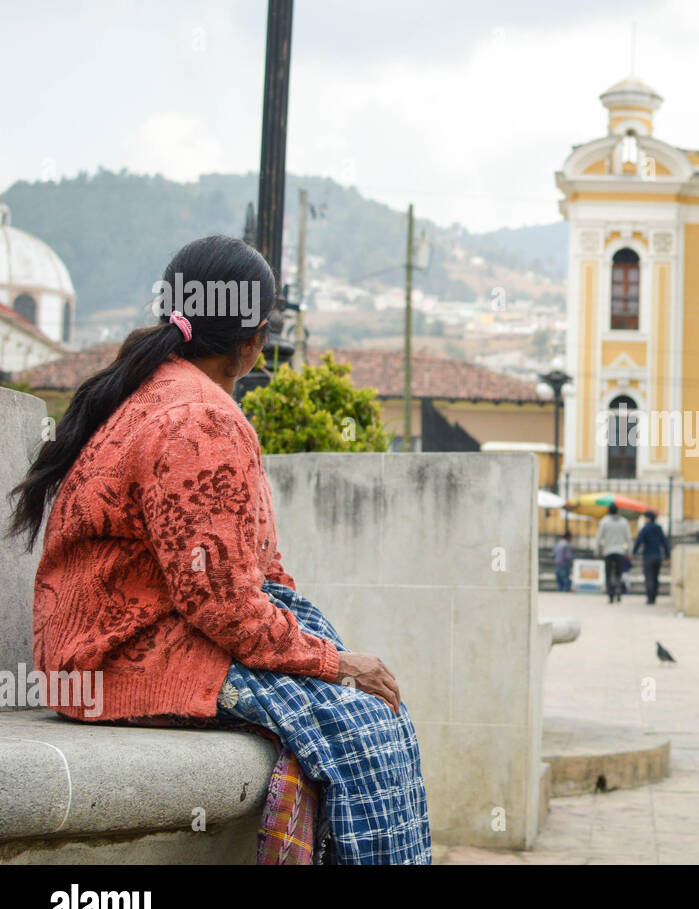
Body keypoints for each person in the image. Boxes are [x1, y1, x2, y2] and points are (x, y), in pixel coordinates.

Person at [8, 235, 432, 864]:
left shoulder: (150, 392)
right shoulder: (199, 418)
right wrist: (334, 662)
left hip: (99, 659)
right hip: (122, 663)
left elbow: (256, 570)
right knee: (365, 727)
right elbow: (225, 603)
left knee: (355, 710)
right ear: (254, 340)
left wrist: (317, 647)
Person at [595, 502, 631, 603]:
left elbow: (598, 537)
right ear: (618, 511)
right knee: (619, 573)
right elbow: (628, 538)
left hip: (608, 551)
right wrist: (629, 551)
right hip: (620, 551)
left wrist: (597, 551)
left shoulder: (604, 522)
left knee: (608, 573)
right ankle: (619, 589)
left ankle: (610, 594)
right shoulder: (624, 522)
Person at [633, 510, 670, 604]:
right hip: (657, 556)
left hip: (648, 556)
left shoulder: (645, 528)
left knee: (649, 577)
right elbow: (665, 543)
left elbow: (638, 540)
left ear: (648, 518)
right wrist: (667, 556)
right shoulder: (659, 528)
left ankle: (650, 598)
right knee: (655, 577)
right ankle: (654, 596)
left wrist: (633, 552)